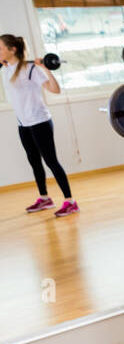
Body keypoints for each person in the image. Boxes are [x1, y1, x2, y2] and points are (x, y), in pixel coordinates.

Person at [1, 34, 77, 217]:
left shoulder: (30, 69)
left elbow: (55, 90)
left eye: (1, 48)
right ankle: (45, 198)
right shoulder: (6, 68)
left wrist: (45, 67)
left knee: (51, 161)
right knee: (34, 162)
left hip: (40, 122)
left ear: (13, 50)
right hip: (23, 124)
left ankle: (70, 201)